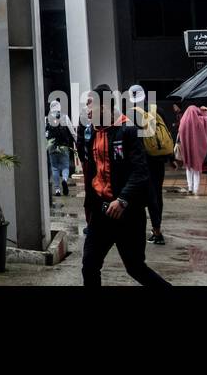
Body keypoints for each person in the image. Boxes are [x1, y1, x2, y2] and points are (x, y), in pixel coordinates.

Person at [76, 86, 170, 287]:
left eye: (90, 105)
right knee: (89, 265)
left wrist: (123, 199)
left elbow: (140, 172)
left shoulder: (127, 130)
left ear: (103, 106)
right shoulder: (90, 132)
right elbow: (91, 169)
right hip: (101, 214)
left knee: (135, 267)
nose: (87, 111)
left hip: (127, 213)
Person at [130, 87, 176, 245]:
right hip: (157, 161)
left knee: (138, 196)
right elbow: (166, 134)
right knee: (156, 195)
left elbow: (132, 140)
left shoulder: (133, 114)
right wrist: (171, 157)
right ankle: (157, 230)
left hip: (141, 162)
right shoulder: (158, 110)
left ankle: (139, 230)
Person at [175, 103, 207, 195]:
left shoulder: (183, 121)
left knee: (188, 168)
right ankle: (195, 189)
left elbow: (179, 135)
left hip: (186, 149)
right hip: (198, 150)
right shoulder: (201, 120)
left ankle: (190, 187)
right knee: (196, 169)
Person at [44, 99, 76, 197]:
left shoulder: (46, 119)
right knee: (65, 166)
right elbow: (72, 132)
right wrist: (77, 142)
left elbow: (44, 134)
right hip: (63, 146)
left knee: (54, 168)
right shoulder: (64, 117)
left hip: (52, 146)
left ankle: (57, 190)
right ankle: (65, 180)